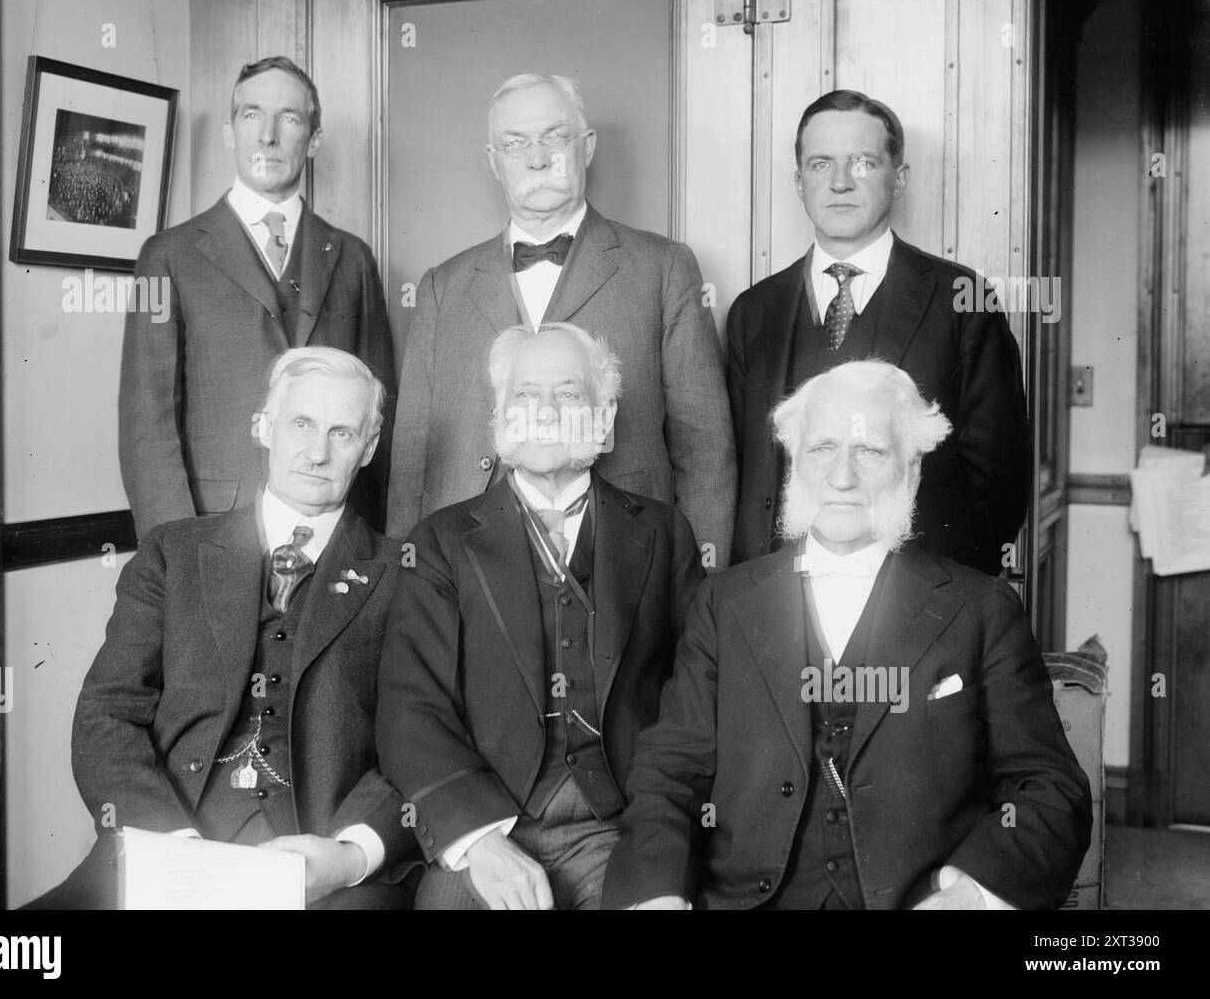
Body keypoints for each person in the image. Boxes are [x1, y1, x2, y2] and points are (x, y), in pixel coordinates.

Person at [603, 360, 1090, 910]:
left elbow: (1049, 787)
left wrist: (972, 894)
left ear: (911, 471)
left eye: (870, 451)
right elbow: (670, 771)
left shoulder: (981, 609)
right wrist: (656, 895)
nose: (841, 476)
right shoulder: (722, 604)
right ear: (794, 464)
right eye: (822, 449)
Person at [31, 348, 415, 910]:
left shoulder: (406, 573)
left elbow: (425, 740)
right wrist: (173, 845)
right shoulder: (173, 552)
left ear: (370, 448)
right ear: (264, 427)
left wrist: (352, 853)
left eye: (342, 433)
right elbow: (108, 711)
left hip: (321, 866)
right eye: (301, 424)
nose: (316, 452)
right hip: (168, 840)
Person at [378, 323, 705, 909]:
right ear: (500, 417)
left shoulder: (663, 533)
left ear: (603, 420)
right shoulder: (439, 542)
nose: (545, 412)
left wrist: (657, 843)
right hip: (488, 826)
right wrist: (479, 842)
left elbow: (695, 703)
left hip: (622, 829)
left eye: (569, 395)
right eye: (525, 396)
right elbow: (411, 707)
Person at [388, 72, 735, 564]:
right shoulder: (444, 284)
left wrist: (700, 581)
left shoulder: (662, 267)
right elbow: (412, 454)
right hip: (467, 558)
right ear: (493, 162)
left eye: (554, 136)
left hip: (623, 555)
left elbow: (703, 444)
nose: (537, 157)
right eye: (515, 143)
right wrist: (407, 573)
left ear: (587, 147)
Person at [727, 90, 1029, 573]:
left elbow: (998, 479)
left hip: (914, 596)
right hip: (777, 593)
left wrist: (942, 598)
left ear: (900, 178)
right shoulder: (753, 311)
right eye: (820, 164)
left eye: (863, 162)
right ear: (799, 181)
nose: (841, 182)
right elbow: (746, 471)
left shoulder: (962, 300)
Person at [120, 56, 394, 538]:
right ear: (230, 132)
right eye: (252, 115)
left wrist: (372, 540)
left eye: (288, 118)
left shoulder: (353, 258)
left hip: (335, 530)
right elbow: (148, 425)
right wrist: (174, 556)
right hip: (214, 527)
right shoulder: (165, 256)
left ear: (313, 139)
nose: (267, 135)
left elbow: (378, 419)